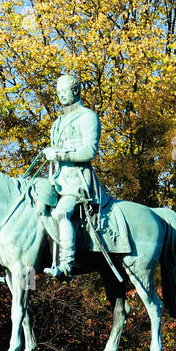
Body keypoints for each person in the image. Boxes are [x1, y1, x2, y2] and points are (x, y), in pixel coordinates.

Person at [41, 74, 106, 280]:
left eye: (64, 91)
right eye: (58, 92)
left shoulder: (87, 117)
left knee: (61, 213)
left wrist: (58, 154)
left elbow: (89, 151)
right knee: (33, 206)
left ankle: (67, 266)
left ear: (76, 91)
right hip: (56, 180)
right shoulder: (57, 122)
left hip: (77, 181)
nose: (60, 95)